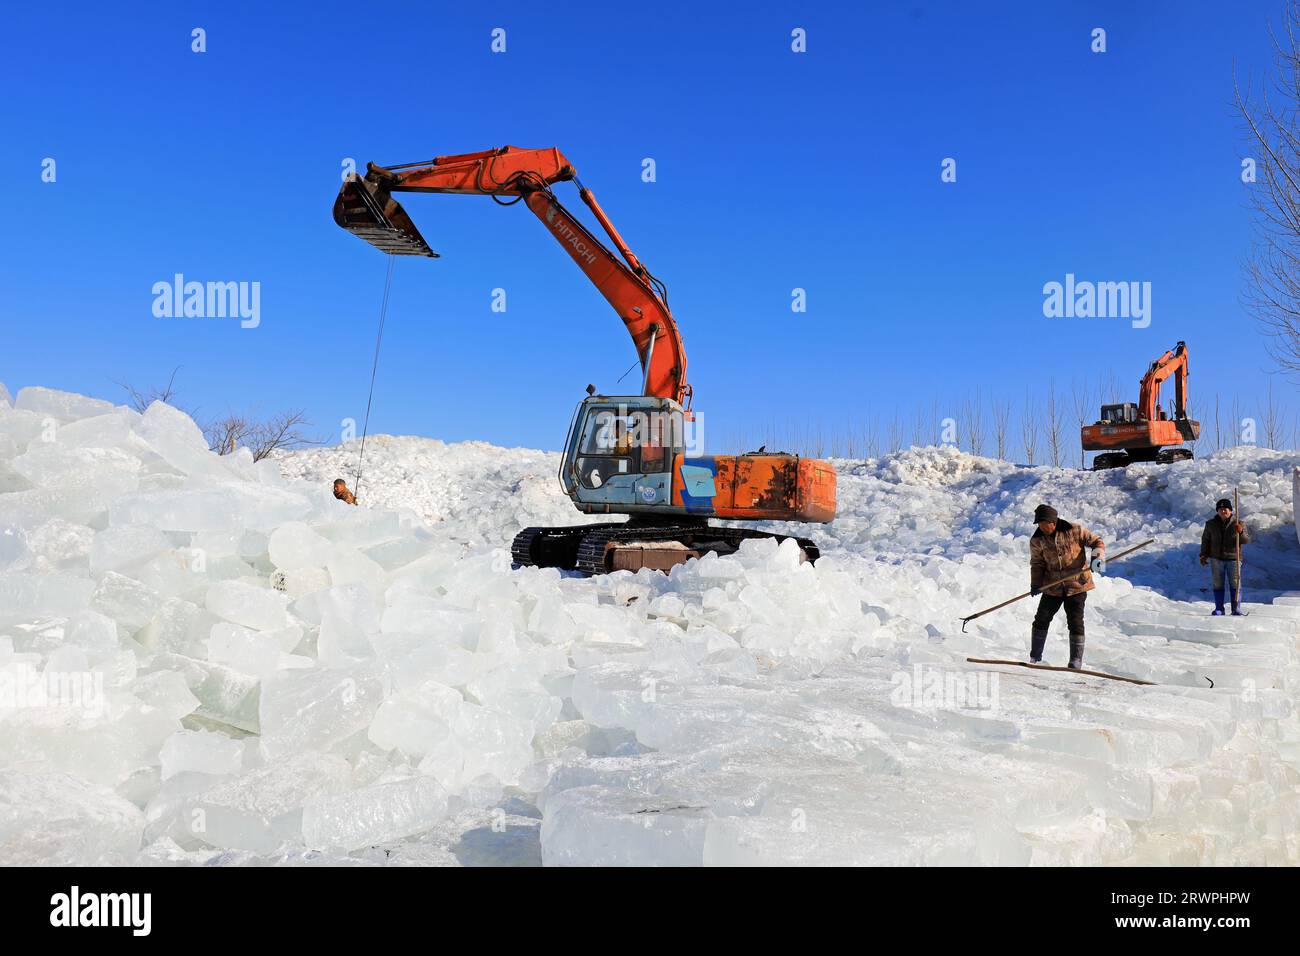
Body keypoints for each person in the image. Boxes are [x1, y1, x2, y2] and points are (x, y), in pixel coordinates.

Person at [1028, 504, 1106, 669]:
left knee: (1075, 621)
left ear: (1053, 522)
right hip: (1052, 586)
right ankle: (1035, 657)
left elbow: (1097, 542)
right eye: (1039, 524)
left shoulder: (1075, 530)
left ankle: (1075, 661)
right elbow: (1037, 563)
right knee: (1041, 619)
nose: (1041, 527)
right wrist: (1036, 583)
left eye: (1044, 524)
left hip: (1077, 584)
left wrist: (1097, 558)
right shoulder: (1037, 540)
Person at [1200, 498, 1248, 616]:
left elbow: (1246, 540)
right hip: (1216, 558)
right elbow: (1205, 540)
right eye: (1220, 509)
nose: (1223, 511)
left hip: (1233, 559)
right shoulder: (1210, 524)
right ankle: (1219, 609)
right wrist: (1203, 554)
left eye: (1225, 509)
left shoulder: (1238, 523)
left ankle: (1236, 608)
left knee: (1235, 584)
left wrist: (1240, 532)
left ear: (1230, 511)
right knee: (1218, 583)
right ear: (1217, 511)